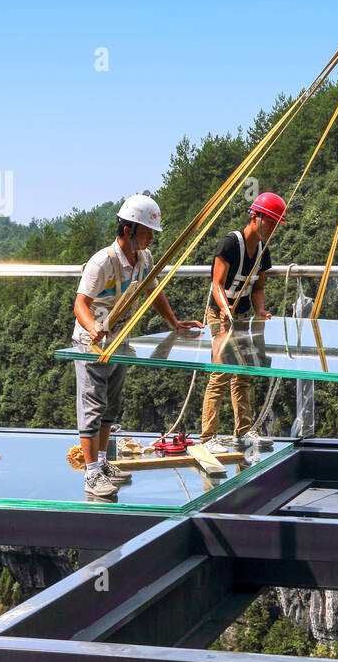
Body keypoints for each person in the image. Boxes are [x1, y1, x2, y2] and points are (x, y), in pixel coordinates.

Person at [73, 195, 202, 499]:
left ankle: (102, 463)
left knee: (110, 404)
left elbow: (152, 291)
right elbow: (80, 304)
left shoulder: (144, 258)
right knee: (92, 404)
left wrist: (173, 322)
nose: (151, 238)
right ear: (127, 230)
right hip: (92, 343)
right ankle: (91, 473)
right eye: (146, 232)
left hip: (120, 340)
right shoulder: (102, 261)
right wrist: (93, 328)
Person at [198, 192, 286, 453]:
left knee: (243, 375)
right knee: (221, 373)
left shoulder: (262, 251)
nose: (272, 228)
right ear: (255, 217)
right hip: (220, 314)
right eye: (270, 222)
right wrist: (225, 309)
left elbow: (258, 287)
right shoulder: (229, 244)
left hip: (244, 315)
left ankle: (243, 432)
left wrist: (260, 311)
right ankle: (207, 437)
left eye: (276, 224)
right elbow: (217, 284)